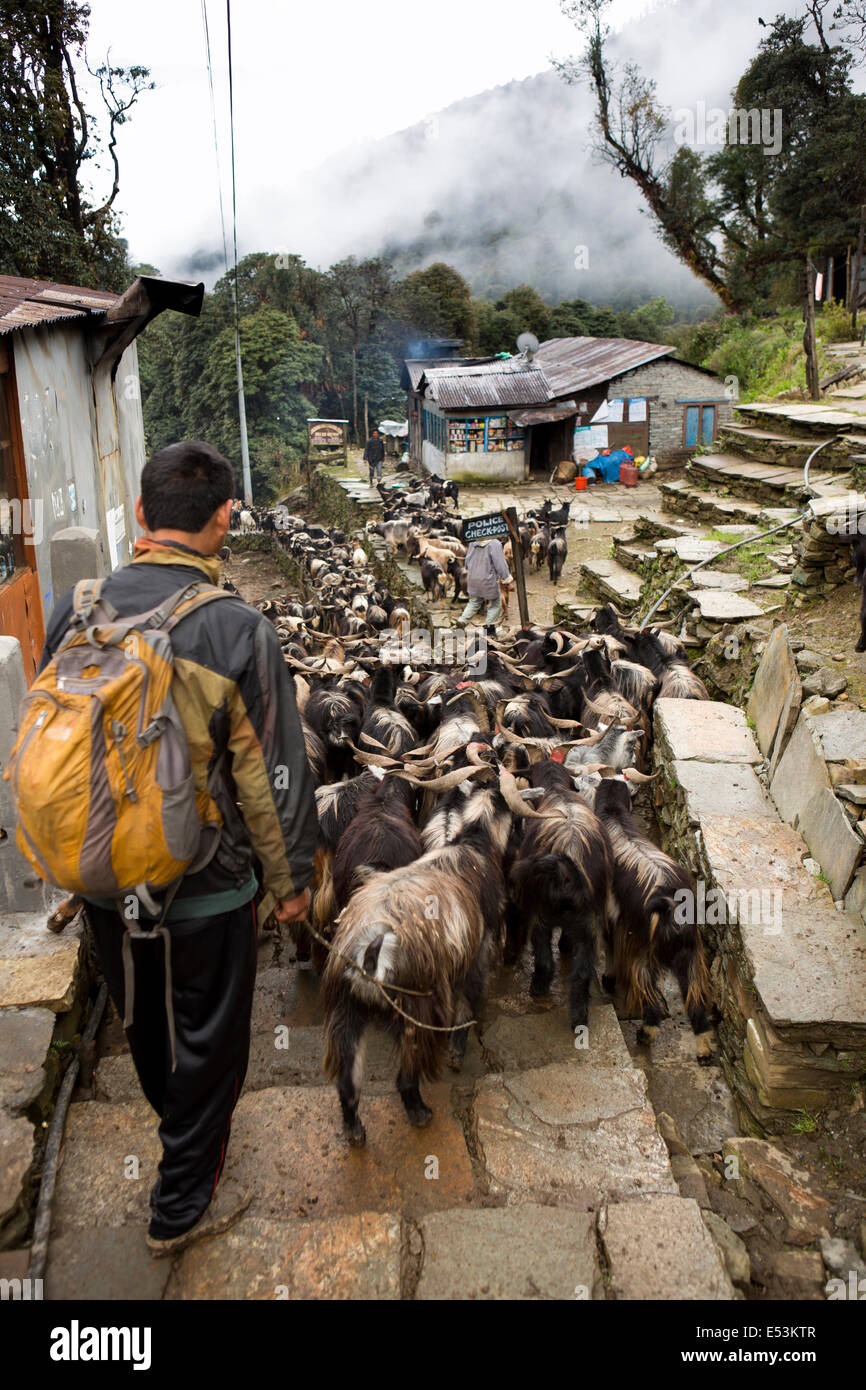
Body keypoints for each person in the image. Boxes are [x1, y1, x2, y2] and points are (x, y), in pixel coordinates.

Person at [39, 440, 318, 1257]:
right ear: (224, 520)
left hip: (101, 879)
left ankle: (179, 1137)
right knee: (211, 1037)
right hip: (207, 887)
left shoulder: (77, 608)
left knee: (148, 1025)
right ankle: (181, 1203)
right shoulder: (236, 629)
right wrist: (291, 882)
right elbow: (269, 775)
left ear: (140, 517)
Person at [460, 535, 514, 633]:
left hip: (472, 578)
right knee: (495, 603)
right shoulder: (495, 544)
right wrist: (507, 580)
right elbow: (500, 564)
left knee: (474, 602)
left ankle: (462, 620)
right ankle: (489, 628)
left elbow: (467, 562)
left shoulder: (473, 542)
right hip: (488, 579)